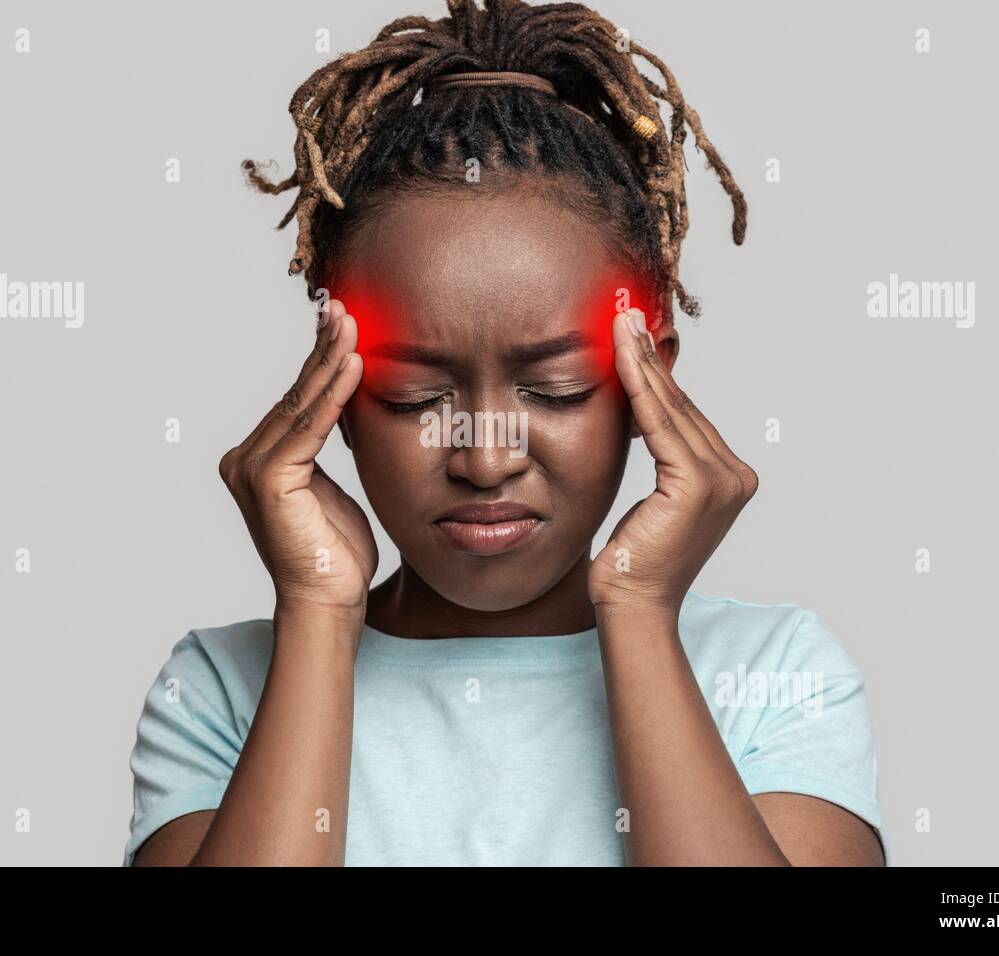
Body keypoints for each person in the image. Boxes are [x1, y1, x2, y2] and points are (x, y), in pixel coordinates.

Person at [124, 0, 885, 866]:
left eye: (556, 389)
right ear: (330, 394)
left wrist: (637, 609)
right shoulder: (222, 690)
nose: (486, 458)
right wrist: (316, 616)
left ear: (650, 381)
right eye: (414, 396)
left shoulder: (774, 676)